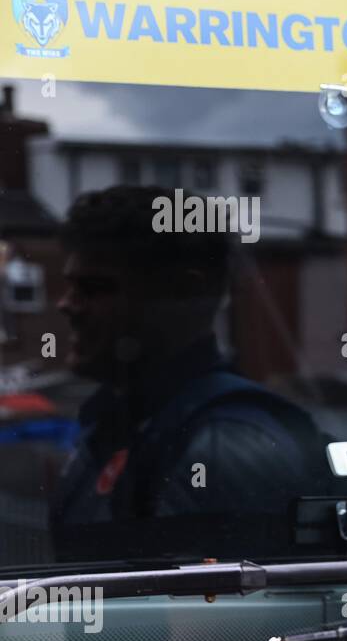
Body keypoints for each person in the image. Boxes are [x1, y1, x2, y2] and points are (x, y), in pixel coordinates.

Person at [47, 185, 328, 558]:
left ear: (184, 295)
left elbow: (226, 613)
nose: (67, 305)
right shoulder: (123, 426)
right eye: (70, 286)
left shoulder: (222, 446)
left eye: (95, 287)